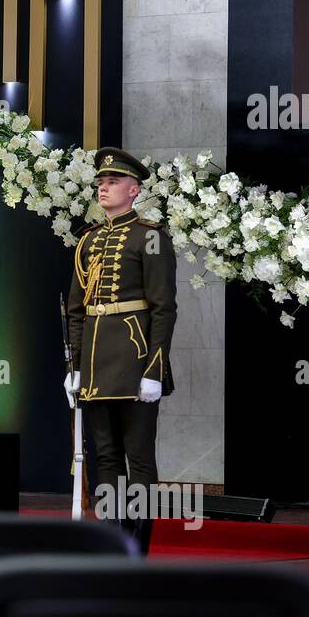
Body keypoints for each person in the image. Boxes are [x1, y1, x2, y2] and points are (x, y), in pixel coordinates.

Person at [64, 148, 178, 555]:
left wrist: (155, 368)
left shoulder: (150, 236)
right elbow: (77, 310)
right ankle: (113, 542)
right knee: (106, 457)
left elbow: (164, 308)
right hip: (96, 363)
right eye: (100, 183)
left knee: (139, 458)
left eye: (111, 182)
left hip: (135, 360)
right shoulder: (88, 241)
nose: (103, 188)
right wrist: (75, 366)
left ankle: (138, 546)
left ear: (133, 190)